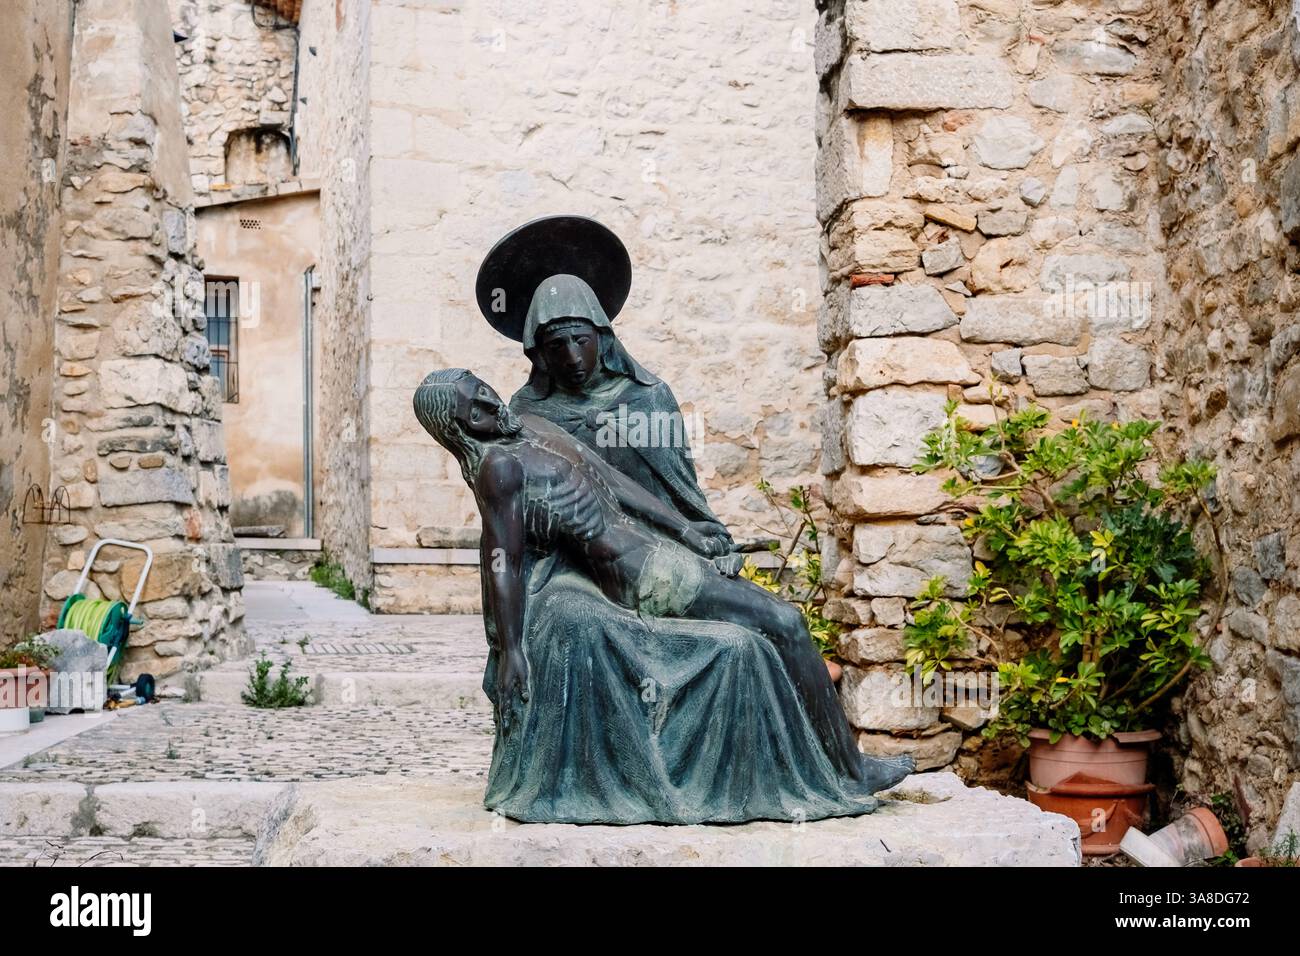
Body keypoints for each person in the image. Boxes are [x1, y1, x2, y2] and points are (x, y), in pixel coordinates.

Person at [413, 368, 914, 824]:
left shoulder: (531, 426)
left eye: (480, 387)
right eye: (472, 409)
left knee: (776, 625)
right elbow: (504, 561)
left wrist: (688, 531)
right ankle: (848, 770)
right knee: (783, 623)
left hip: (661, 550)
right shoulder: (499, 468)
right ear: (457, 429)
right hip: (643, 576)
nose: (486, 401)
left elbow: (613, 481)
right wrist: (513, 649)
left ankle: (835, 765)